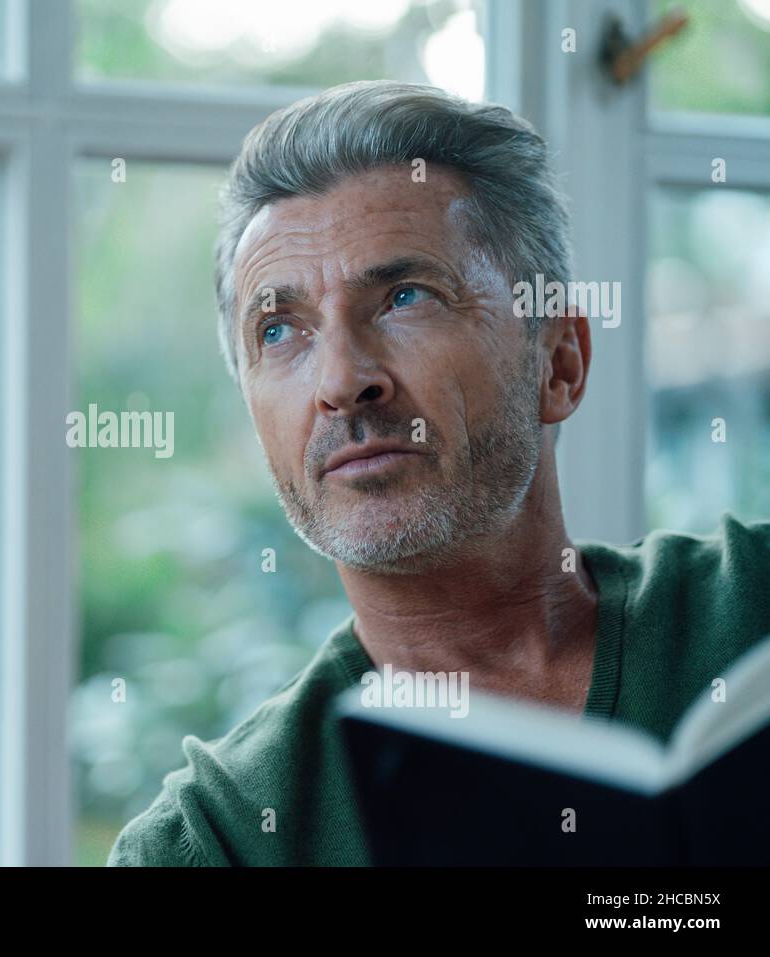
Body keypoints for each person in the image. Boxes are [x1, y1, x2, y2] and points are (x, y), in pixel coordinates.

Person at [106, 80, 770, 866]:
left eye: (404, 296)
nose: (342, 381)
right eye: (279, 330)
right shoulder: (215, 840)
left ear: (558, 364)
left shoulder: (752, 612)